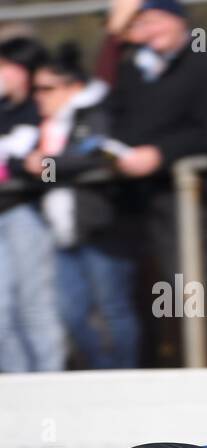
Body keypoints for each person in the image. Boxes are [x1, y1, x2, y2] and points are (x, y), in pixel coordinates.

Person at [106, 0, 207, 365]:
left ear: (180, 21)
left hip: (188, 192)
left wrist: (160, 154)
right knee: (143, 289)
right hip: (139, 197)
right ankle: (163, 366)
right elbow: (114, 118)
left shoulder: (205, 65)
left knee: (189, 283)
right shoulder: (133, 68)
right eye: (143, 23)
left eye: (158, 20)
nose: (151, 30)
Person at [25, 43, 140, 369]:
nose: (39, 96)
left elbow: (94, 156)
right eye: (35, 89)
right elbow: (24, 165)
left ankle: (124, 376)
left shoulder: (95, 110)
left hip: (101, 226)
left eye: (46, 88)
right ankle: (102, 373)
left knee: (113, 309)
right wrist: (43, 164)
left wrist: (48, 164)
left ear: (72, 86)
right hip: (61, 233)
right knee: (70, 313)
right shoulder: (45, 126)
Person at [0, 36, 63, 373]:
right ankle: (18, 385)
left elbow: (50, 167)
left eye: (6, 66)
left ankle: (50, 383)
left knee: (34, 307)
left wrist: (26, 162)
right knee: (2, 312)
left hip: (27, 214)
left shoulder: (40, 108)